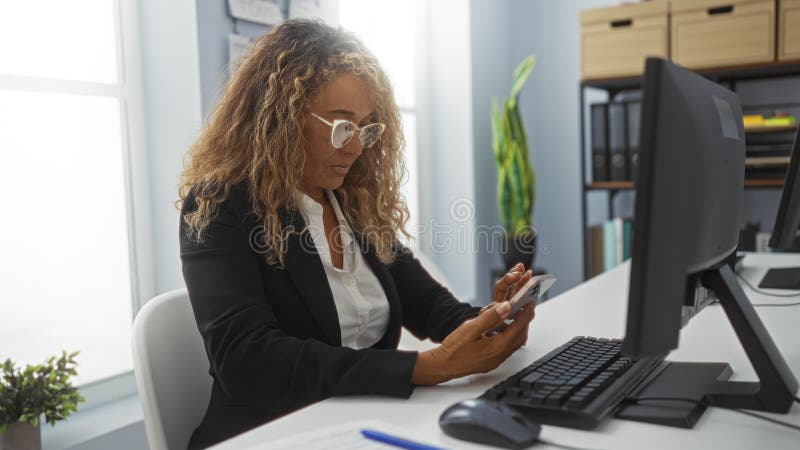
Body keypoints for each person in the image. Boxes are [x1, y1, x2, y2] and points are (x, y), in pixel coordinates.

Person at [177, 19, 536, 449]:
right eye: (341, 125)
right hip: (266, 436)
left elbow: (428, 305)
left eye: (366, 128)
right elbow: (248, 360)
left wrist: (492, 318)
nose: (356, 146)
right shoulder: (220, 204)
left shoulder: (349, 200)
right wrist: (426, 367)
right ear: (281, 119)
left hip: (362, 426)